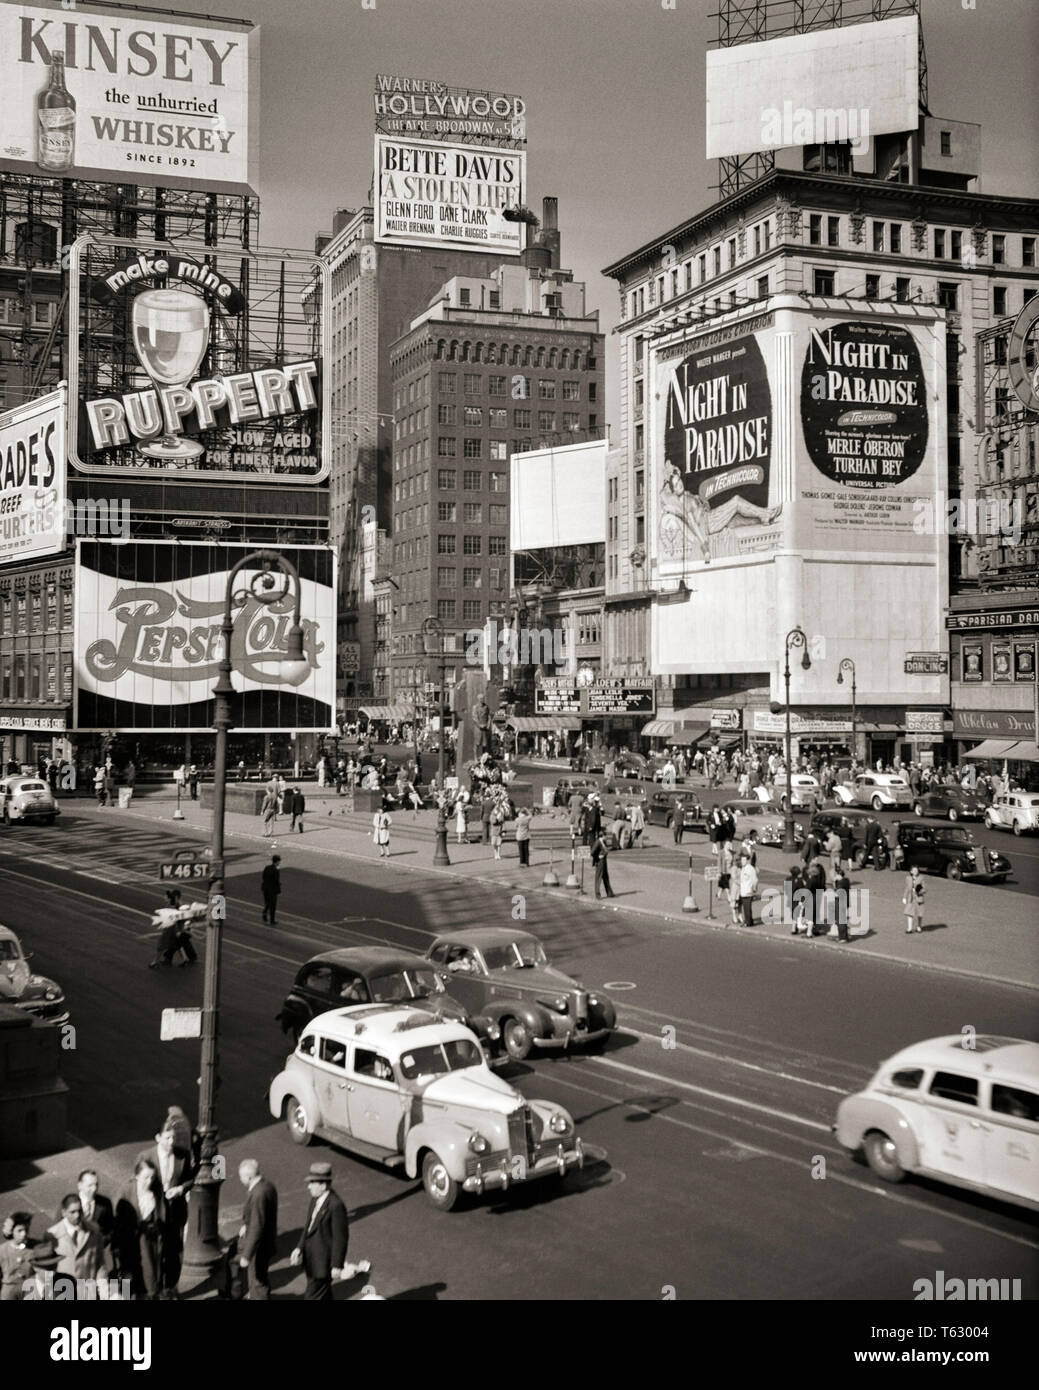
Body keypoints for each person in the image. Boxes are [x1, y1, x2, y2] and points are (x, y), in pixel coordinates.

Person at [136, 1120, 194, 1296]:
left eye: (173, 1138)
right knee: (154, 1252)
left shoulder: (182, 1155)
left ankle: (169, 1287)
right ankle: (154, 1287)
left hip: (175, 1211)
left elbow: (190, 1179)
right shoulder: (146, 1157)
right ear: (158, 1137)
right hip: (155, 1213)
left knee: (174, 1251)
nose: (171, 1142)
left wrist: (181, 1189)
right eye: (167, 1138)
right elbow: (138, 1183)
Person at [291, 1162, 349, 1302]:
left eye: (312, 1182)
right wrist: (299, 1247)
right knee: (324, 1295)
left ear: (323, 1186)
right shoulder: (315, 1199)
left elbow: (340, 1238)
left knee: (312, 1296)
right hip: (311, 1260)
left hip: (323, 1265)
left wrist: (336, 1265)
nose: (308, 1186)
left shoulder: (336, 1205)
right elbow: (308, 1226)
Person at [115, 1159, 167, 1301]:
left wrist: (155, 1226)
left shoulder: (156, 1190)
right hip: (129, 1241)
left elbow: (161, 1214)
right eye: (145, 1177)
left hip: (148, 1242)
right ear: (136, 1176)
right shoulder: (126, 1190)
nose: (149, 1181)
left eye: (152, 1177)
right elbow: (118, 1218)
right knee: (128, 1276)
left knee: (149, 1274)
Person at [48, 1193, 112, 1293]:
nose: (77, 1215)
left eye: (79, 1211)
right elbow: (47, 1268)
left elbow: (100, 1262)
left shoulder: (94, 1230)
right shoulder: (52, 1235)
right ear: (64, 1212)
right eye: (72, 1212)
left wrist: (103, 1286)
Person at [237, 1160, 278, 1301]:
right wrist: (246, 1225)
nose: (240, 1180)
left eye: (241, 1177)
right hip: (266, 1243)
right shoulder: (268, 1186)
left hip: (258, 1248)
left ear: (248, 1177)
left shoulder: (257, 1194)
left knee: (257, 1281)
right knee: (260, 1277)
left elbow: (257, 1226)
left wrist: (246, 1255)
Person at [58, 1171, 115, 1264]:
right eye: (90, 1185)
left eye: (96, 1185)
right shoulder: (68, 1203)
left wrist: (99, 1242)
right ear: (80, 1186)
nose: (94, 1189)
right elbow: (57, 1228)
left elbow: (110, 1229)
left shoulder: (105, 1203)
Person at [0, 1213, 35, 1300]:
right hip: (8, 1293)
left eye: (26, 1230)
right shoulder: (2, 1250)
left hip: (28, 1291)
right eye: (19, 1230)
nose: (24, 1234)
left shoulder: (34, 1248)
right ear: (11, 1231)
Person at [590, 825, 614, 898]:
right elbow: (592, 852)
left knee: (606, 877)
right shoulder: (598, 842)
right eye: (605, 836)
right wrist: (597, 857)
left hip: (604, 862)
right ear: (602, 836)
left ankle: (609, 893)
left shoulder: (603, 842)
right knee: (598, 878)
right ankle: (597, 894)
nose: (606, 837)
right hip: (600, 862)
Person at [903, 865, 925, 934]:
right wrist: (904, 897)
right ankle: (909, 928)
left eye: (916, 870)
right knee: (909, 913)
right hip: (911, 898)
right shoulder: (908, 878)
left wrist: (919, 891)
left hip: (918, 898)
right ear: (911, 871)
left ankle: (919, 926)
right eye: (914, 870)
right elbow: (907, 888)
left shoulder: (921, 878)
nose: (915, 872)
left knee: (919, 914)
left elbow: (925, 889)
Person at [738, 852, 758, 927]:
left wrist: (754, 888)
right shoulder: (743, 868)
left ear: (747, 860)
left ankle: (748, 922)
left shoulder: (750, 868)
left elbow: (755, 879)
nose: (742, 861)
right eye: (742, 860)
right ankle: (750, 921)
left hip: (748, 891)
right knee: (746, 907)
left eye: (744, 860)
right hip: (743, 891)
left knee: (747, 907)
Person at [261, 855, 281, 923]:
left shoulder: (267, 867)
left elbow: (263, 877)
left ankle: (265, 913)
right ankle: (272, 920)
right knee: (273, 905)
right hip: (272, 890)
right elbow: (276, 880)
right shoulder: (276, 870)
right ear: (277, 861)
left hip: (265, 888)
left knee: (267, 903)